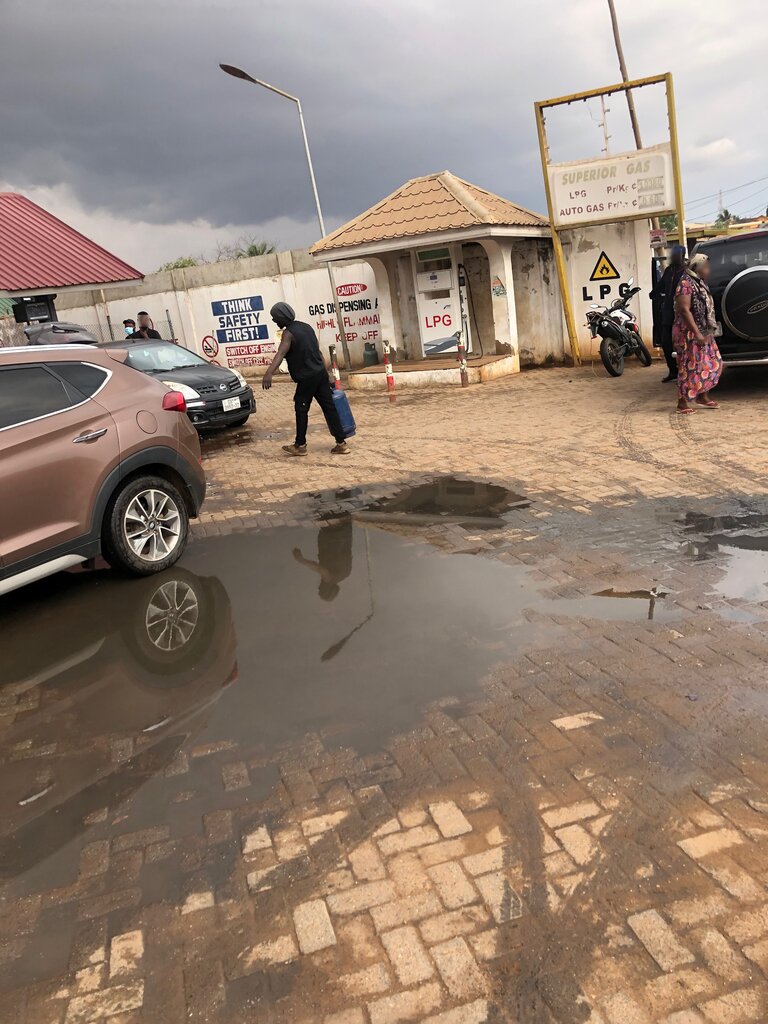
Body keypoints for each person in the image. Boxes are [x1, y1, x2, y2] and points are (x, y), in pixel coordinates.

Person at [262, 302, 349, 456]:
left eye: (275, 318)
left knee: (301, 409)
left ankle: (300, 445)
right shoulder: (306, 327)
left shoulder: (288, 333)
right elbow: (319, 352)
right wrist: (327, 375)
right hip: (320, 374)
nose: (274, 321)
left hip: (307, 378)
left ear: (282, 317)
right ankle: (341, 444)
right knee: (330, 408)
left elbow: (281, 354)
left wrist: (269, 373)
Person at [672, 252, 722, 414]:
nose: (709, 270)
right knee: (689, 366)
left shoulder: (699, 282)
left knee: (712, 362)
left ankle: (702, 396)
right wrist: (697, 334)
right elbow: (684, 310)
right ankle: (682, 403)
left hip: (703, 329)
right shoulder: (685, 284)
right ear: (697, 267)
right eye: (706, 267)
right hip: (688, 332)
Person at [650, 244, 687, 382]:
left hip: (682, 313)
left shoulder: (687, 271)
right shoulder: (669, 271)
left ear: (682, 256)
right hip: (668, 313)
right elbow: (660, 286)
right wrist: (653, 293)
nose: (673, 257)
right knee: (666, 342)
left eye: (676, 254)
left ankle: (685, 372)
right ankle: (673, 371)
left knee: (683, 343)